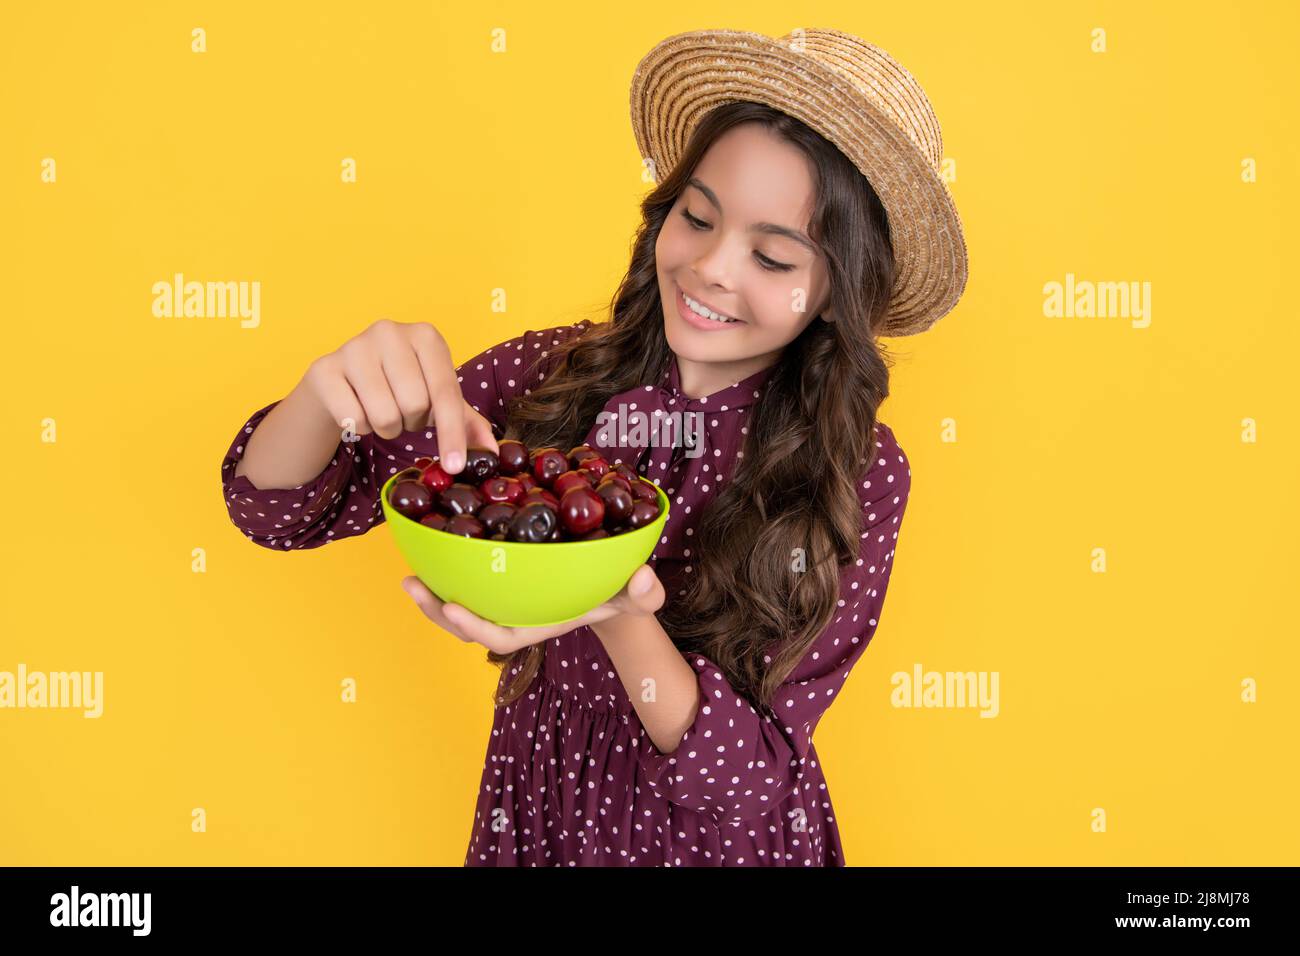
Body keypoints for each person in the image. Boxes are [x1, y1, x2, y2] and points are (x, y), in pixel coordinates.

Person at [219, 27, 969, 866]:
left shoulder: (856, 471)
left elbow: (752, 781)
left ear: (834, 295)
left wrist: (620, 616)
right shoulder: (554, 376)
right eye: (698, 217)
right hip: (541, 806)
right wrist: (330, 394)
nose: (714, 268)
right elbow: (273, 509)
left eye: (770, 255)